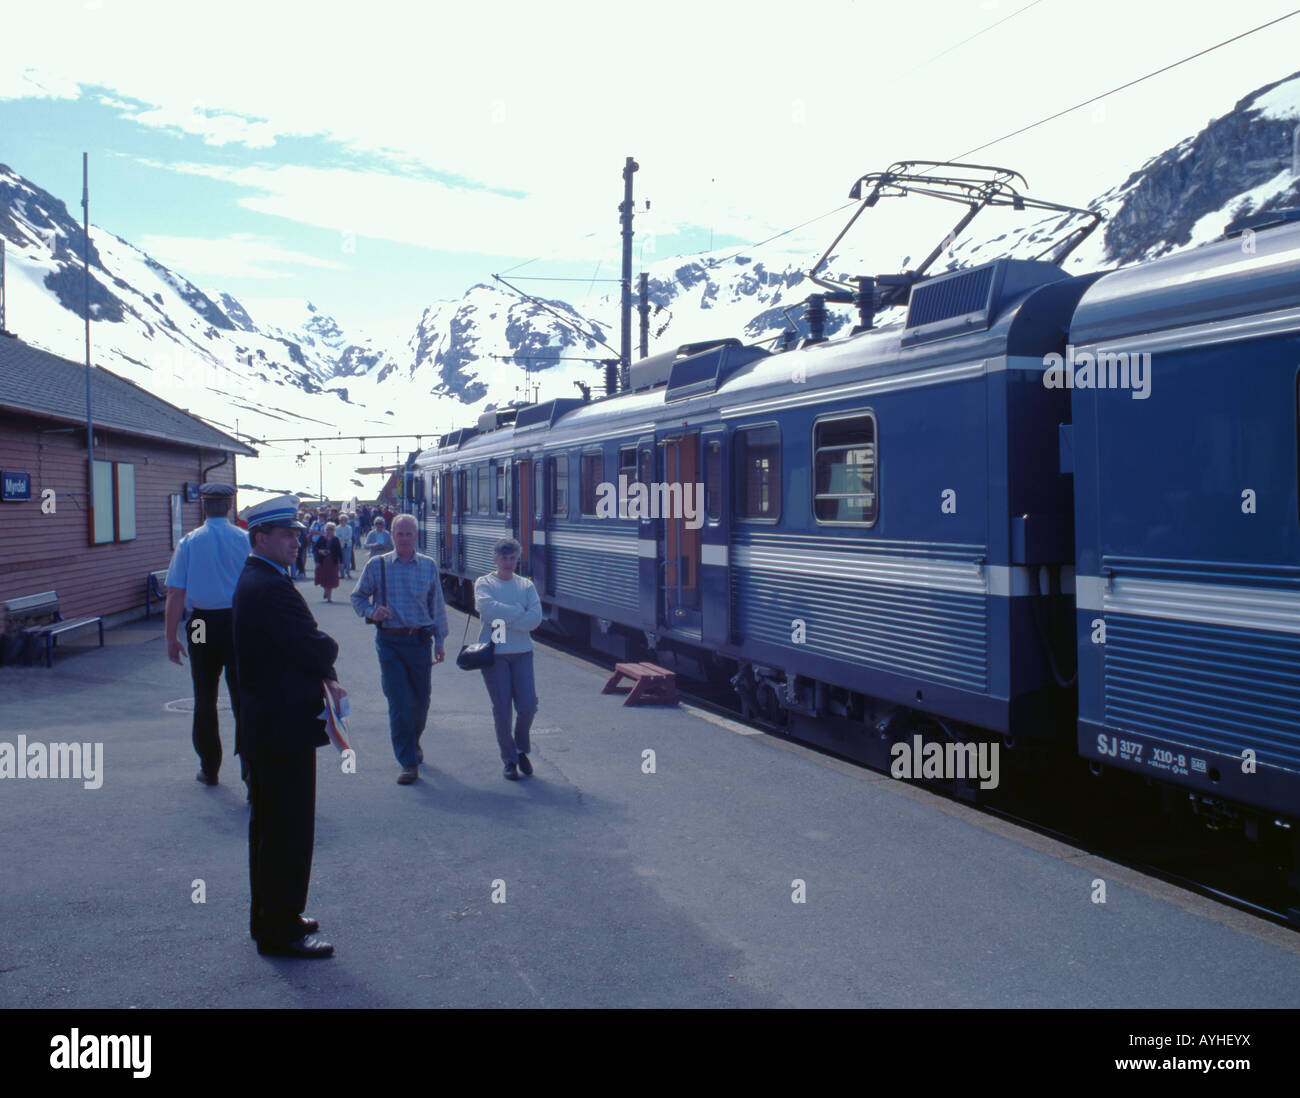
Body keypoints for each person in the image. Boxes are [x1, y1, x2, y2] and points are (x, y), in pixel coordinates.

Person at [233, 495, 339, 959]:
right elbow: (317, 648)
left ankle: (275, 917)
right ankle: (281, 930)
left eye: (298, 533)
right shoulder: (270, 587)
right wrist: (327, 647)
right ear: (261, 538)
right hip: (281, 730)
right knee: (286, 831)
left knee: (272, 830)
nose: (298, 541)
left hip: (269, 726)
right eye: (288, 534)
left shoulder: (258, 579)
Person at [164, 482, 251, 788]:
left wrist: (170, 638)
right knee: (243, 697)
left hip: (200, 622)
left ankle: (209, 766)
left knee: (204, 693)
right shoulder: (245, 540)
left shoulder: (189, 542)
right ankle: (251, 772)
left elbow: (176, 593)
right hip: (236, 621)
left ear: (203, 506)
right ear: (229, 506)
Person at [350, 514, 447, 785]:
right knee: (399, 702)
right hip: (390, 643)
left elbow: (436, 605)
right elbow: (357, 597)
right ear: (391, 535)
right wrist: (372, 611)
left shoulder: (428, 566)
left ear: (417, 536)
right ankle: (407, 761)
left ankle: (413, 739)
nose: (404, 539)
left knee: (421, 701)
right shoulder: (377, 565)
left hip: (419, 642)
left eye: (409, 534)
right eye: (399, 533)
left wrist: (440, 641)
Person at [474, 537, 543, 781]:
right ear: (495, 559)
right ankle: (509, 760)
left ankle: (520, 747)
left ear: (517, 559)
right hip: (495, 655)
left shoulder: (526, 585)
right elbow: (486, 609)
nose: (508, 562)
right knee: (502, 710)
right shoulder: (485, 583)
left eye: (512, 557)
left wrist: (505, 618)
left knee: (528, 706)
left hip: (523, 652)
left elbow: (535, 617)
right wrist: (517, 613)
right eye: (503, 558)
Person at [313, 522, 344, 601]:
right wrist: (320, 551)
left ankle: (329, 597)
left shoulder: (336, 539)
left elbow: (339, 551)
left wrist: (341, 562)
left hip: (333, 561)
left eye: (331, 529)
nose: (329, 531)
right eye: (328, 529)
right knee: (324, 578)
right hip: (323, 561)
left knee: (331, 578)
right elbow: (315, 548)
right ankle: (325, 591)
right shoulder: (321, 538)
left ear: (334, 530)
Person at [335, 514, 354, 580]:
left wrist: (342, 538)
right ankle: (342, 574)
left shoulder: (349, 528)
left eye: (344, 520)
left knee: (347, 560)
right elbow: (336, 536)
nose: (343, 521)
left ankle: (348, 573)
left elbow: (349, 536)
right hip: (340, 545)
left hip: (347, 545)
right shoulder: (337, 528)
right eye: (341, 520)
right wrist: (343, 538)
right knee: (341, 560)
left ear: (347, 521)